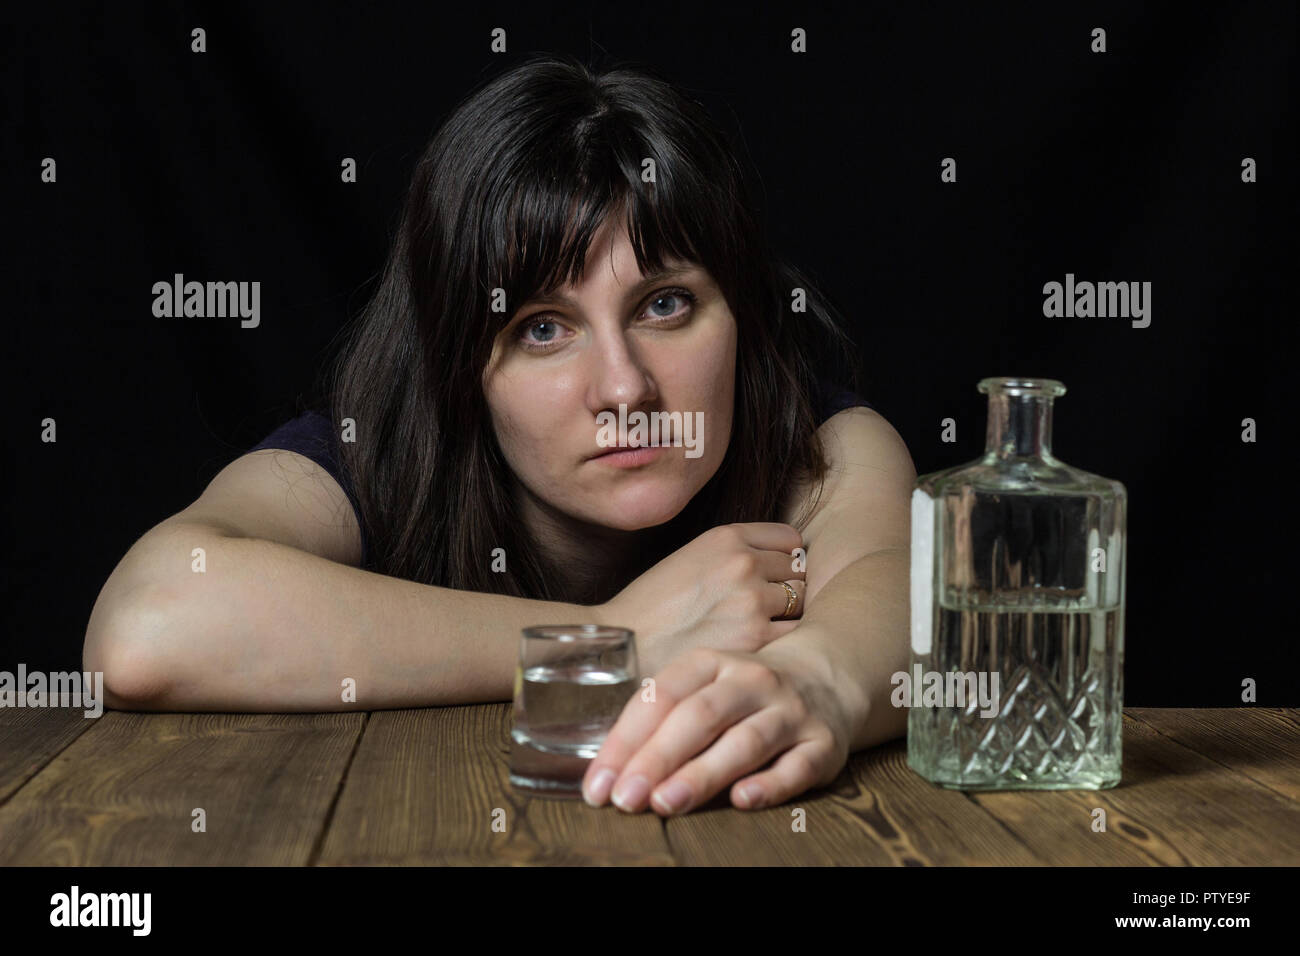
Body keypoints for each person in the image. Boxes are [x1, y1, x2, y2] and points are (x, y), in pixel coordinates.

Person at [83, 53, 916, 816]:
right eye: (544, 330)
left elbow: (901, 589)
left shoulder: (824, 444)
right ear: (460, 366)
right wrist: (612, 640)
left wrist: (819, 687)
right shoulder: (368, 454)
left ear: (742, 316)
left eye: (665, 305)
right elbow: (147, 625)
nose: (625, 387)